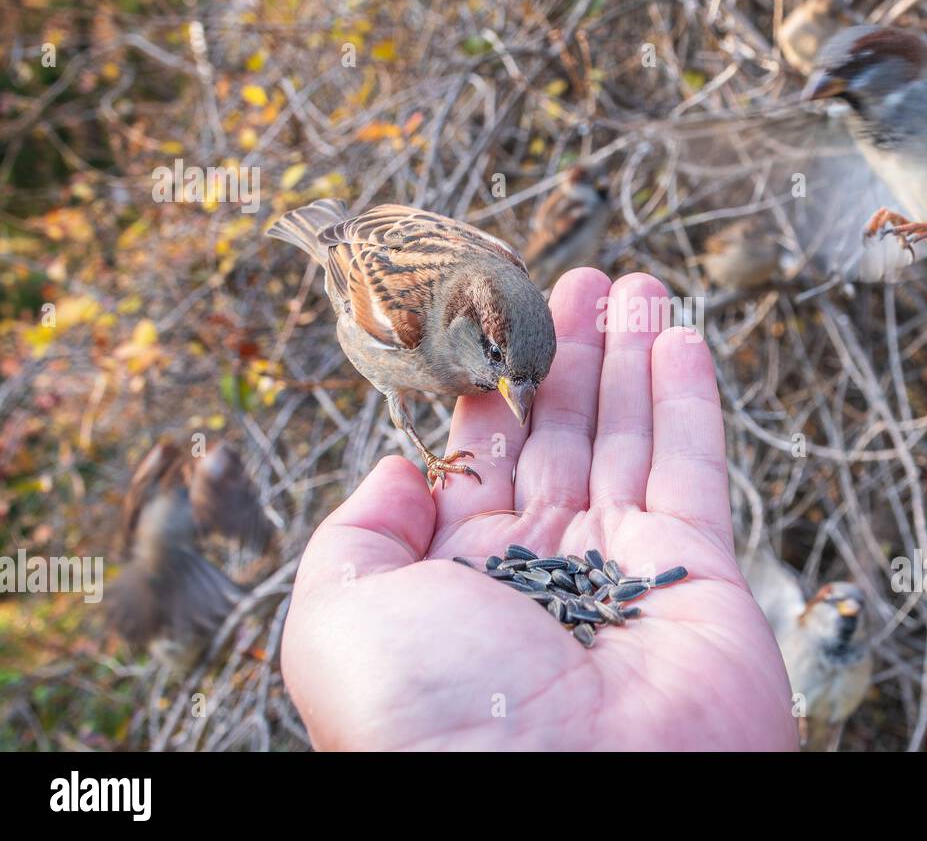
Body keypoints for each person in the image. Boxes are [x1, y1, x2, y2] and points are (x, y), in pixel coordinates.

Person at [282, 270, 798, 750]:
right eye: (506, 370)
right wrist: (429, 458)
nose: (521, 399)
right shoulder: (410, 315)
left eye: (535, 380)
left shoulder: (506, 286)